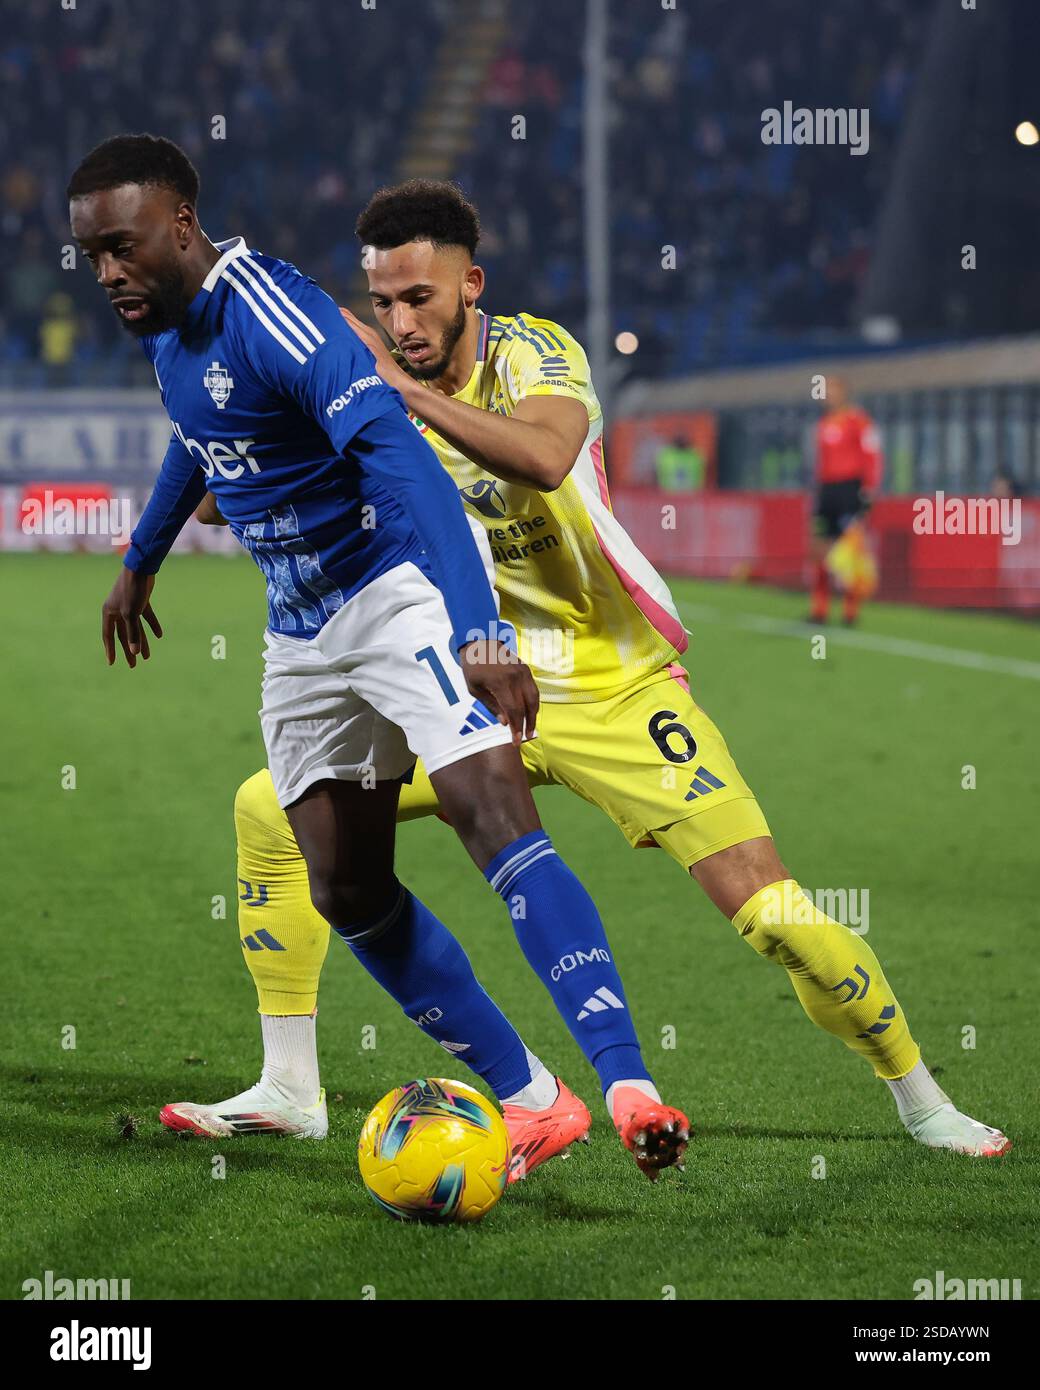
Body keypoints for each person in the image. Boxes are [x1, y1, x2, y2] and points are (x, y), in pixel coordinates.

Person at [197, 180, 1009, 1161]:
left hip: (611, 679)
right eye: (382, 304)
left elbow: (544, 454)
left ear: (470, 286)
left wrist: (394, 395)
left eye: (419, 298)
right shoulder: (358, 388)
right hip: (466, 681)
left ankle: (919, 1095)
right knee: (267, 810)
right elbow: (219, 503)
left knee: (773, 913)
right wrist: (261, 413)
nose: (400, 321)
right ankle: (291, 1082)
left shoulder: (533, 351)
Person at [68, 135, 688, 1181]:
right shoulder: (167, 323)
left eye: (122, 249)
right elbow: (195, 429)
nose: (108, 274)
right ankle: (534, 1101)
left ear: (180, 226)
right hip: (301, 634)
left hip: (391, 594)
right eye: (92, 259)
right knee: (346, 888)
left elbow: (403, 463)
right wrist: (140, 561)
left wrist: (474, 628)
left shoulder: (272, 309)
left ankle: (627, 1081)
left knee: (493, 812)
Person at [810, 376, 882, 625]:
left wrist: (869, 489)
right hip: (827, 491)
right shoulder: (823, 423)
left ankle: (851, 610)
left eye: (831, 390)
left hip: (849, 489)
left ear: (843, 392)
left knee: (851, 549)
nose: (826, 395)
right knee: (820, 549)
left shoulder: (858, 421)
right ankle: (819, 609)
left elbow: (872, 455)